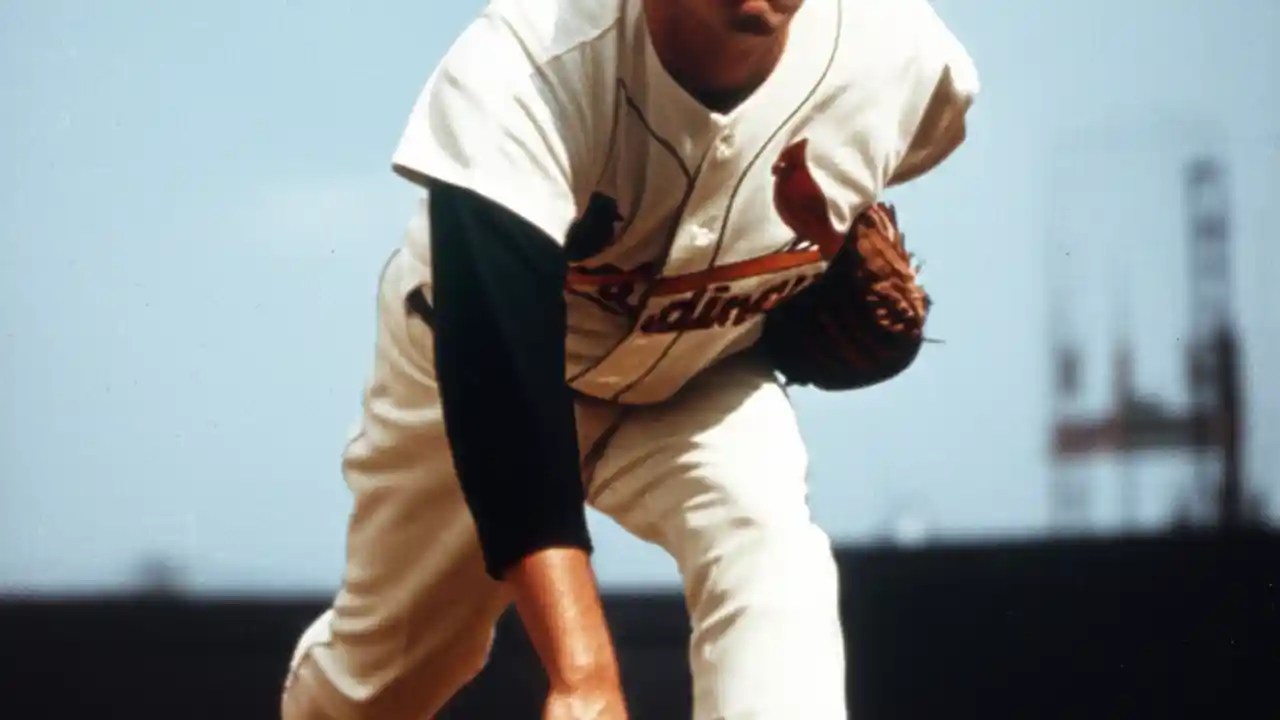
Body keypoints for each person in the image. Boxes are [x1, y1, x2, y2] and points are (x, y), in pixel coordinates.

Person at [280, 0, 979, 718]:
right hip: (480, 368)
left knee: (770, 560)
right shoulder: (521, 68)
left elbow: (876, 155)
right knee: (389, 678)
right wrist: (581, 675)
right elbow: (505, 395)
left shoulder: (906, 61)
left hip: (701, 371)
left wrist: (822, 243)